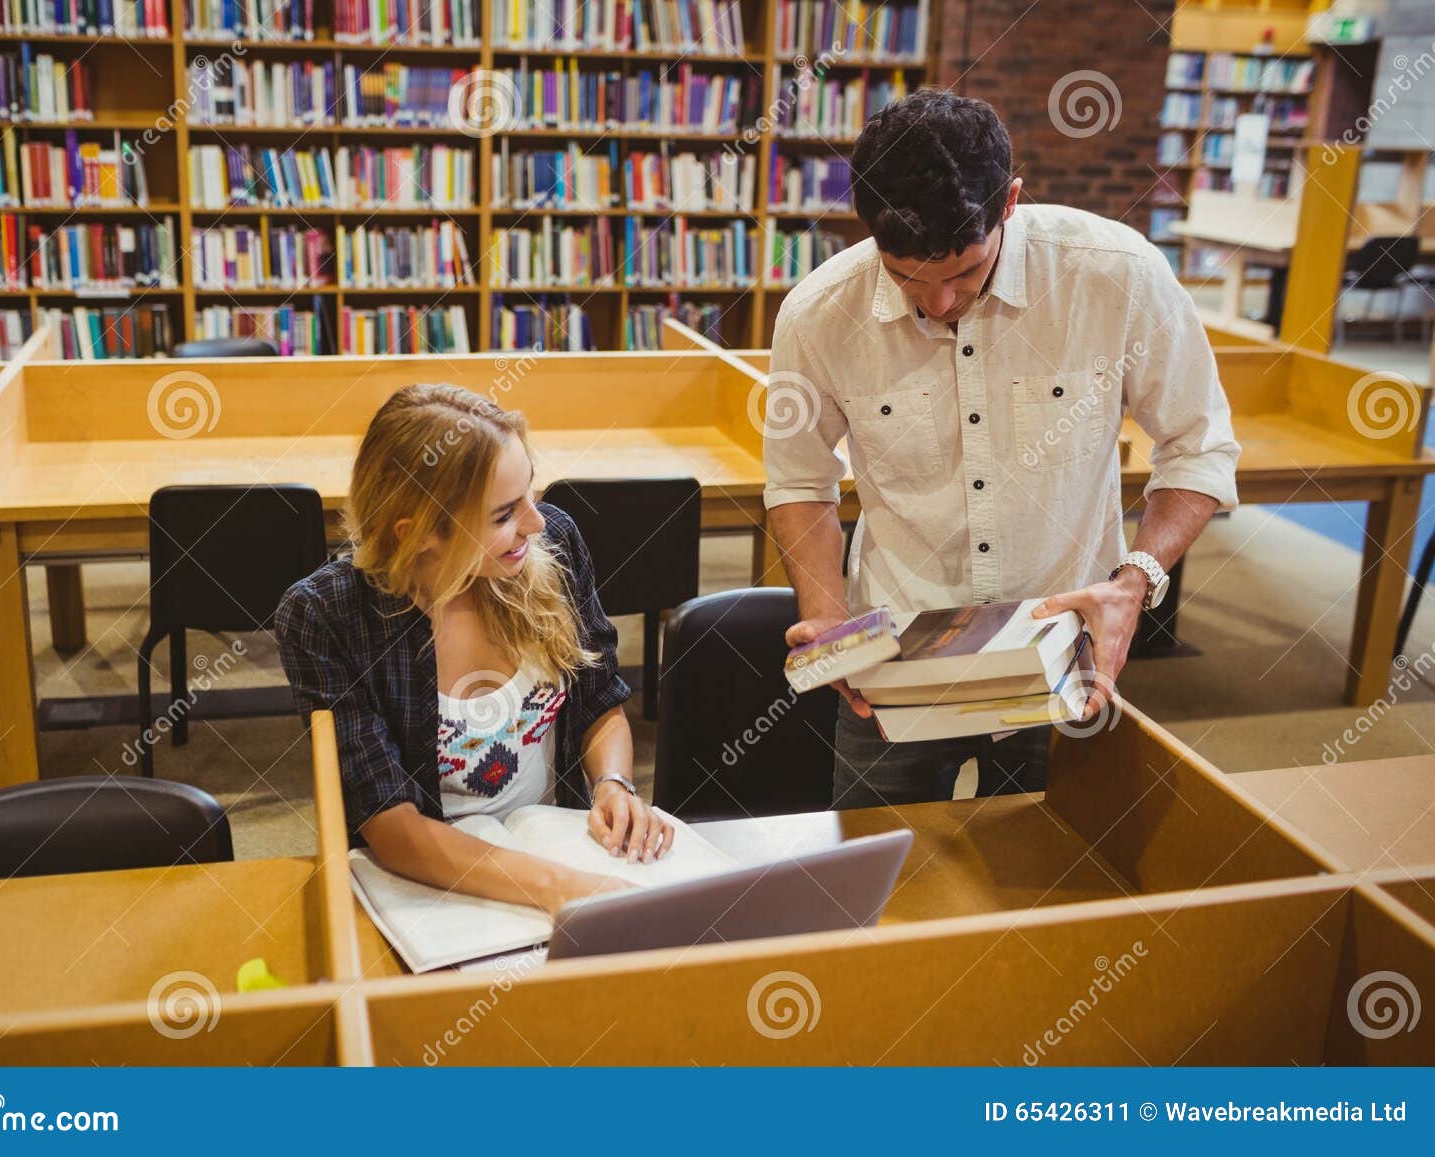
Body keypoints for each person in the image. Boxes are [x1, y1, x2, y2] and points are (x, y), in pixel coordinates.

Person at [763, 89, 1241, 808]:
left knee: (1053, 882)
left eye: (963, 272)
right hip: (895, 658)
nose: (938, 304)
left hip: (1059, 652)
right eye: (906, 278)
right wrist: (827, 614)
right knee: (876, 889)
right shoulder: (818, 315)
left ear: (1010, 201)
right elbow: (802, 481)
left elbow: (1200, 444)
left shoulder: (1114, 276)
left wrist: (1134, 579)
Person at [276, 383, 670, 915]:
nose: (534, 522)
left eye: (530, 493)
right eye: (504, 514)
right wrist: (560, 888)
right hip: (437, 887)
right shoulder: (327, 614)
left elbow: (599, 699)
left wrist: (613, 785)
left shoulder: (551, 542)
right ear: (418, 535)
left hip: (564, 846)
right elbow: (390, 823)